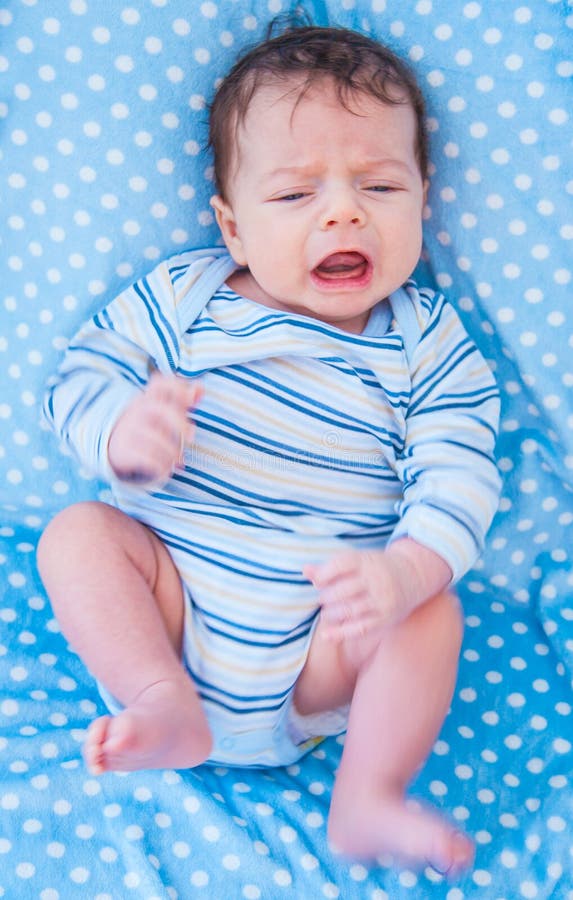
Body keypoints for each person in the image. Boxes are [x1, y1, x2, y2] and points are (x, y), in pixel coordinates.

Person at [38, 23, 501, 875]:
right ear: (233, 227)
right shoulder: (189, 296)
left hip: (321, 649)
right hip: (169, 606)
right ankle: (157, 699)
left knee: (431, 612)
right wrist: (122, 433)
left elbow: (462, 474)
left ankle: (365, 797)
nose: (341, 211)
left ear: (424, 200)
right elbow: (81, 374)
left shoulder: (427, 340)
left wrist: (401, 575)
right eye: (293, 197)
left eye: (380, 186)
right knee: (75, 535)